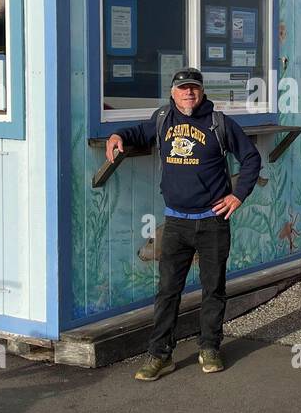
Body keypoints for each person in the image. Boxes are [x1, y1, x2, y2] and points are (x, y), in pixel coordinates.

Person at [106, 68, 261, 380]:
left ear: (201, 92)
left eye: (194, 88)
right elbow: (140, 132)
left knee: (213, 288)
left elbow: (251, 158)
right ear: (172, 93)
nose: (188, 93)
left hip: (212, 222)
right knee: (167, 291)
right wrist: (117, 135)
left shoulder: (219, 123)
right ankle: (160, 354)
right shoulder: (164, 119)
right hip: (176, 222)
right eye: (182, 88)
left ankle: (209, 347)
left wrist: (237, 196)